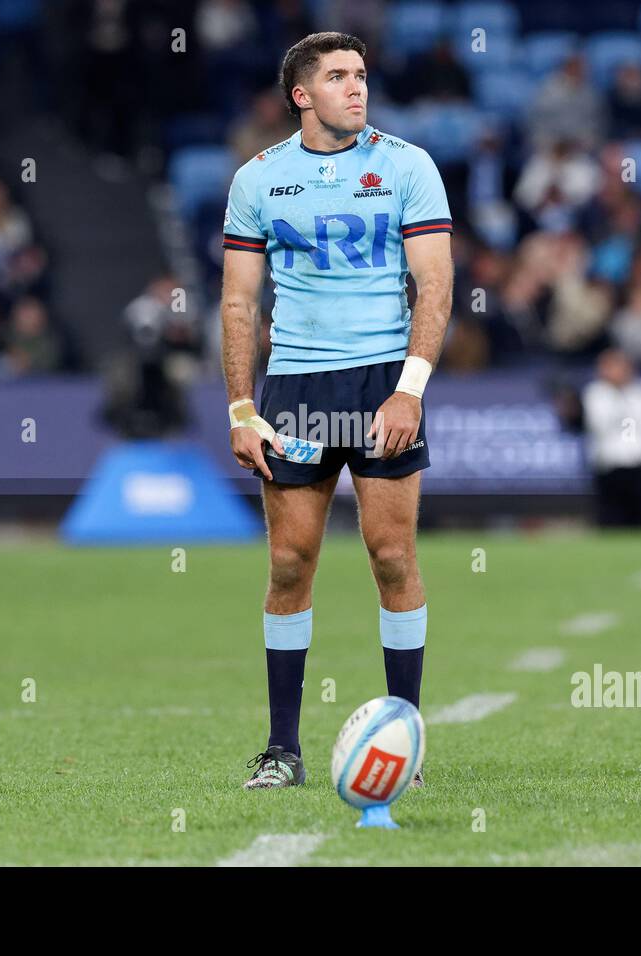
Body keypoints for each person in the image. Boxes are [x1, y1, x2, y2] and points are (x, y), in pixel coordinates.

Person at [219, 31, 453, 791]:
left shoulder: (409, 166)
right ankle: (282, 749)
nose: (357, 89)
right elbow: (238, 302)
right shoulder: (258, 180)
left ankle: (405, 744)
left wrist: (410, 389)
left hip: (383, 379)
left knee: (392, 557)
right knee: (290, 564)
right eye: (339, 78)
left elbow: (435, 287)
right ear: (302, 95)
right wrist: (241, 406)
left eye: (361, 75)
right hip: (297, 387)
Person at [580, 349, 641, 529]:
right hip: (609, 465)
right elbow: (595, 425)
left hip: (640, 465)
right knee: (610, 520)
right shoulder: (595, 393)